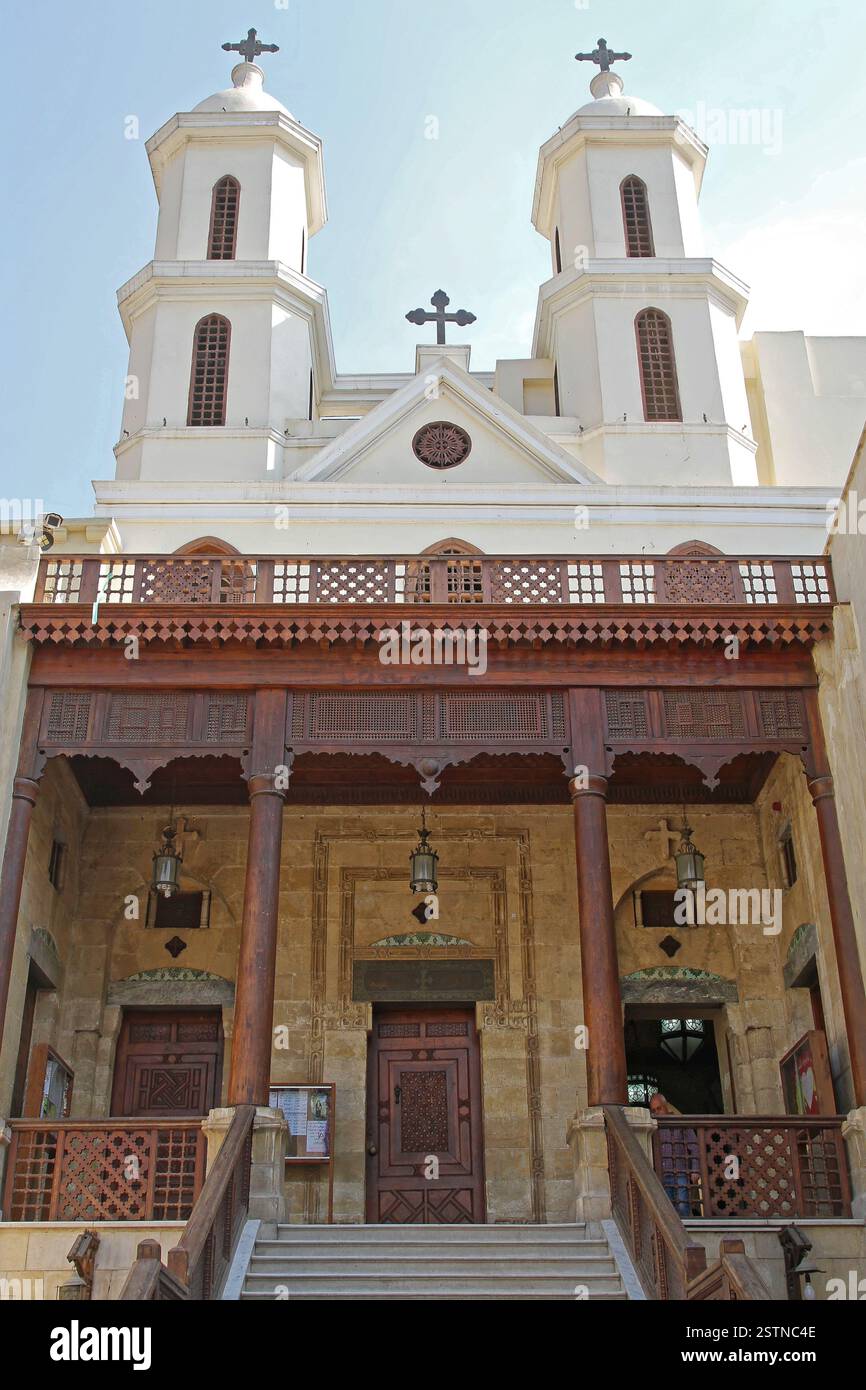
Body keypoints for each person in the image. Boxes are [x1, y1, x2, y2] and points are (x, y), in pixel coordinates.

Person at [649, 1093, 701, 1217]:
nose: (657, 1112)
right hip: (661, 1176)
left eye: (659, 1108)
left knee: (683, 1207)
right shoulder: (653, 1128)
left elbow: (694, 1146)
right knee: (668, 1211)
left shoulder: (680, 1122)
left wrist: (695, 1169)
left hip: (680, 1173)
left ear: (666, 1106)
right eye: (654, 1110)